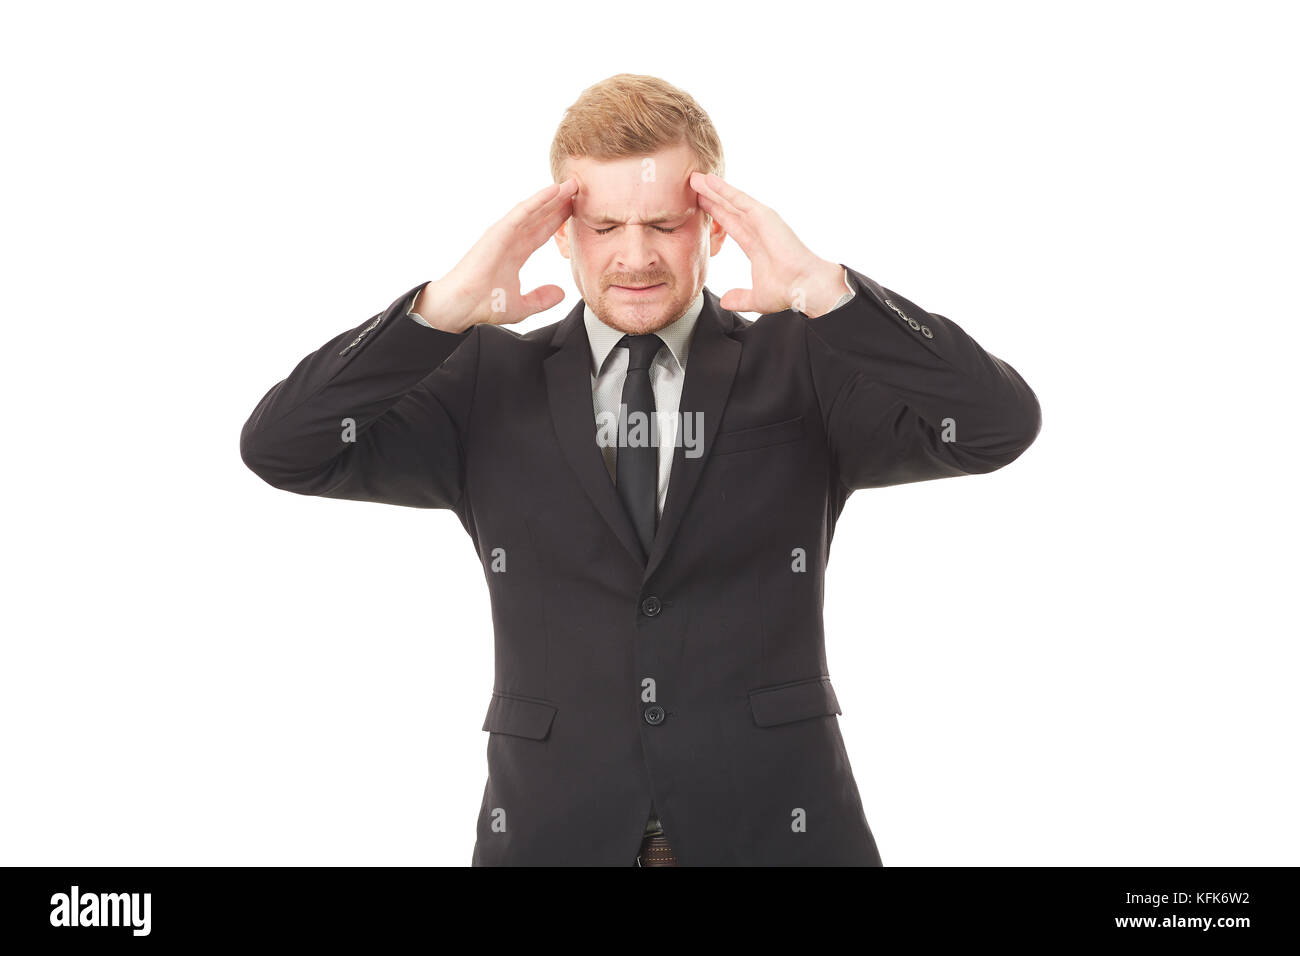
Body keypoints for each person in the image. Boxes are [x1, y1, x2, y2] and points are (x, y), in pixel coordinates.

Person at [240, 73, 1041, 866]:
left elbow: (995, 425)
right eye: (603, 225)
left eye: (664, 224)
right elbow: (284, 446)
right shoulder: (486, 382)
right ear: (559, 230)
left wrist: (827, 292)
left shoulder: (802, 365)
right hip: (553, 830)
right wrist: (438, 311)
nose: (635, 257)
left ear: (715, 227)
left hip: (779, 828)